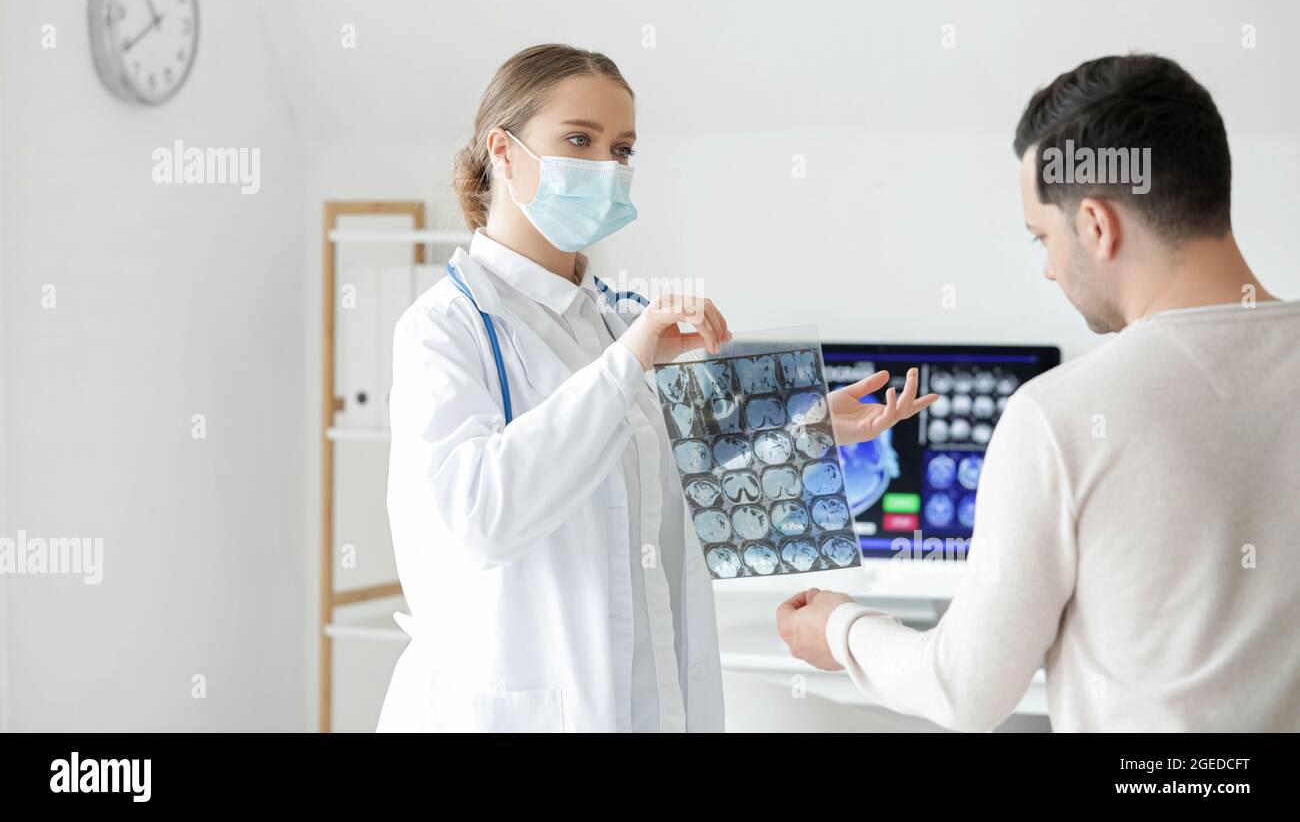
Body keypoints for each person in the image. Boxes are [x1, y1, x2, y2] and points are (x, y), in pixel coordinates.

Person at [378, 43, 933, 732]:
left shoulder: (610, 318)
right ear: (504, 150)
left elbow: (672, 497)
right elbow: (481, 520)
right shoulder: (444, 329)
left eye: (622, 149)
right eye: (580, 139)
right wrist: (628, 360)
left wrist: (809, 434)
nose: (607, 168)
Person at [777, 53, 1300, 732]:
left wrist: (840, 628)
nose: (1051, 269)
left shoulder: (1062, 416)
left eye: (1041, 237)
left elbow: (965, 690)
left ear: (1096, 225)